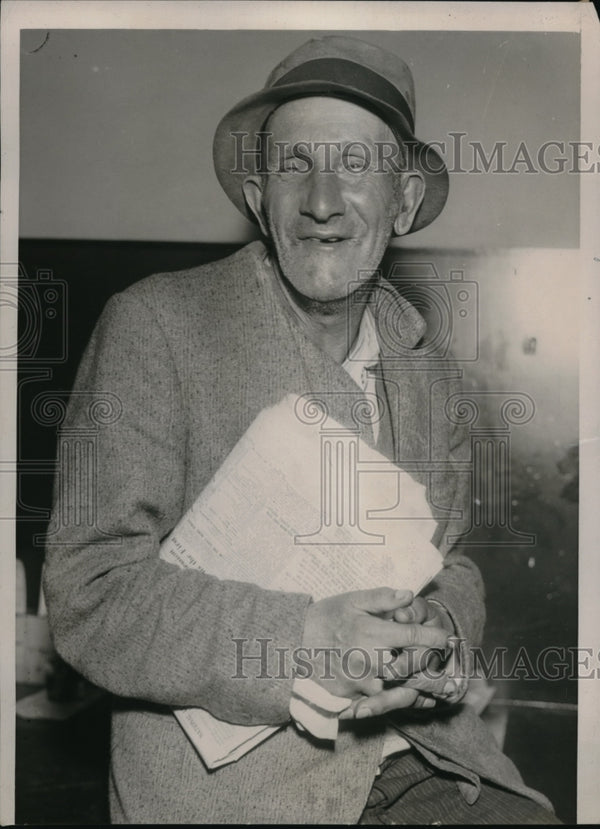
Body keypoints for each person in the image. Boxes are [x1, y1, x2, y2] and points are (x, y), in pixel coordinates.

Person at [43, 36, 560, 824]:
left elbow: (454, 563)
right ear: (258, 197)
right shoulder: (158, 325)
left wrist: (441, 629)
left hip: (435, 766)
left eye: (354, 163)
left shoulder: (427, 363)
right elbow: (90, 592)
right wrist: (303, 638)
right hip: (242, 799)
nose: (322, 199)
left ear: (407, 198)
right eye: (294, 165)